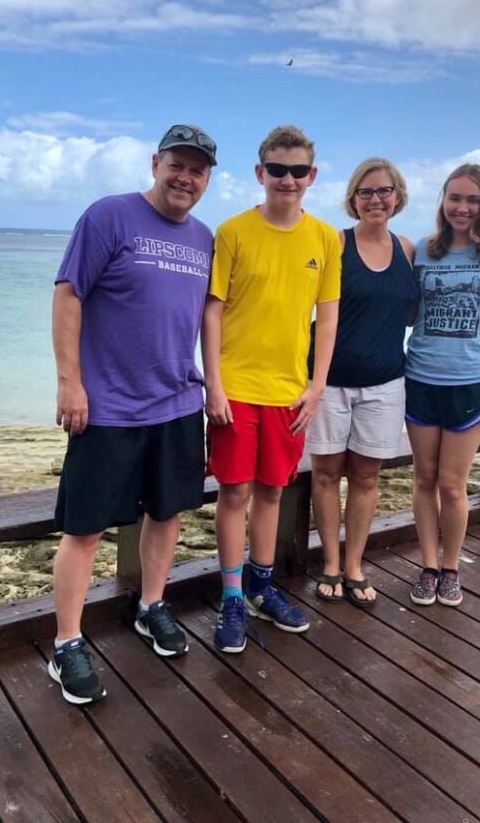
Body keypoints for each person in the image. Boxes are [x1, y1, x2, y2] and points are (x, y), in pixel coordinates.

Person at [48, 124, 217, 704]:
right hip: (109, 407)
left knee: (167, 514)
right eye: (178, 164)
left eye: (198, 170)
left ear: (206, 179)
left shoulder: (203, 238)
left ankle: (151, 606)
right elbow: (69, 293)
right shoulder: (108, 217)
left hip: (176, 404)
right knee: (86, 528)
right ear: (155, 163)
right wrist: (70, 383)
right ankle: (67, 643)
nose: (186, 177)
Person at [203, 125, 341, 653]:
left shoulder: (325, 239)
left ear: (312, 175)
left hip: (289, 392)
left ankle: (262, 587)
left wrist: (317, 385)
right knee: (234, 491)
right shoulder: (233, 231)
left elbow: (326, 320)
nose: (288, 179)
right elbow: (212, 309)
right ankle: (233, 597)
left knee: (273, 490)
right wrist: (213, 383)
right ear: (260, 173)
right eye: (277, 170)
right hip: (236, 386)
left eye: (298, 170)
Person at [405, 163, 480, 607]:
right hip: (420, 378)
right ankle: (428, 565)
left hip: (471, 382)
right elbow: (408, 314)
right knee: (424, 478)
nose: (463, 208)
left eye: (473, 200)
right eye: (455, 198)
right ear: (443, 200)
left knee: (453, 484)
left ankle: (451, 567)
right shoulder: (423, 252)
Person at [306, 157, 416, 608]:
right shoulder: (334, 242)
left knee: (367, 477)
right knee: (327, 473)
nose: (376, 199)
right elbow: (303, 306)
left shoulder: (408, 250)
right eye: (366, 192)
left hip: (386, 382)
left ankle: (354, 565)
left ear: (398, 196)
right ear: (353, 198)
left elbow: (411, 314)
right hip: (330, 382)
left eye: (384, 191)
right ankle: (330, 563)